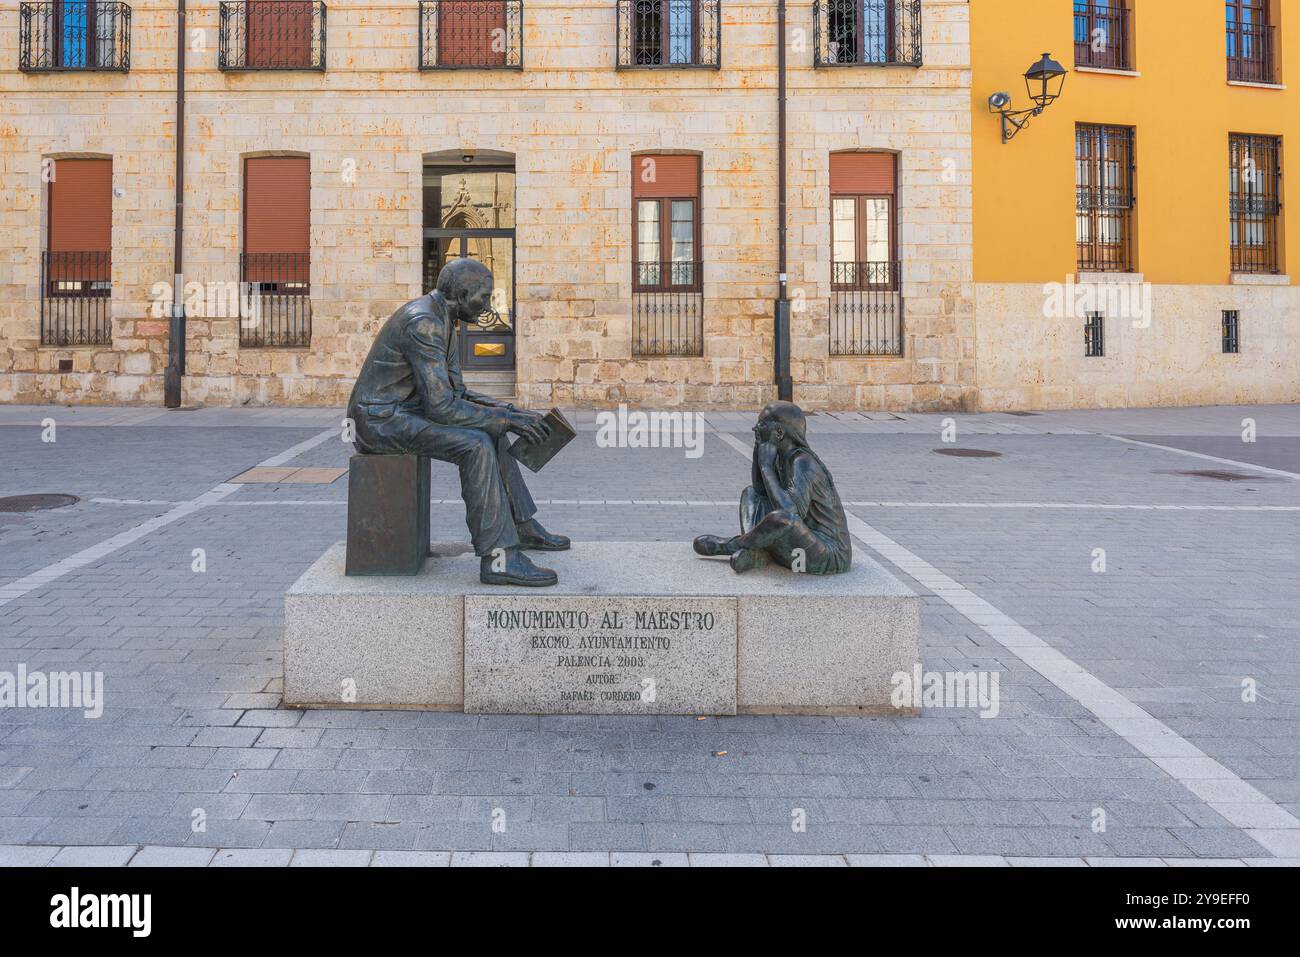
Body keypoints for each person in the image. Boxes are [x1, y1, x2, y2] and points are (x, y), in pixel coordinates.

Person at [347, 258, 568, 586]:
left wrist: (511, 413)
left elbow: (457, 392)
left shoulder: (443, 318)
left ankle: (521, 527)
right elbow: (442, 407)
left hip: (405, 411)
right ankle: (498, 559)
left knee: (491, 430)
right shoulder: (423, 322)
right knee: (475, 444)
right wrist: (505, 419)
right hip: (379, 421)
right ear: (461, 296)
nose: (488, 304)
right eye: (483, 296)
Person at [693, 401, 852, 575]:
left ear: (779, 433)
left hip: (828, 555)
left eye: (762, 425)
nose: (755, 428)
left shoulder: (803, 463)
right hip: (800, 545)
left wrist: (767, 467)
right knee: (751, 494)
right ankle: (756, 550)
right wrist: (758, 451)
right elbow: (760, 491)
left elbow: (789, 512)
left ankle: (731, 545)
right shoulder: (781, 455)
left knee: (782, 518)